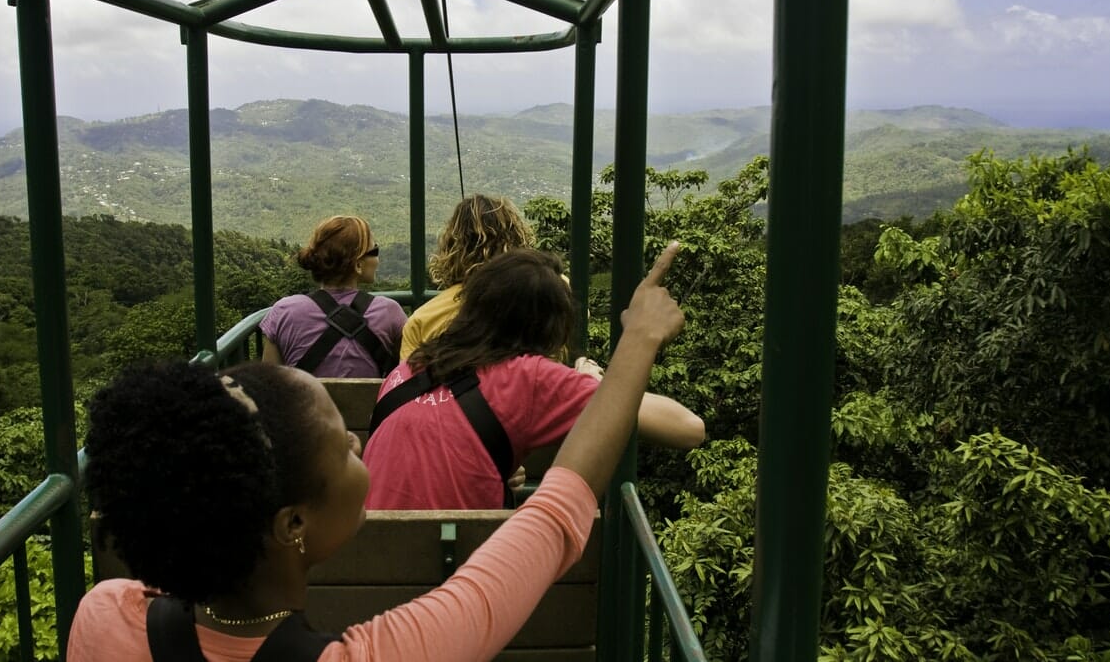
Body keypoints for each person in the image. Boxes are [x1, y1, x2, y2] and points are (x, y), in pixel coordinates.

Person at [67, 242, 687, 662]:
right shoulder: (390, 652)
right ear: (293, 522)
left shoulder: (104, 615)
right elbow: (557, 510)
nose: (361, 441)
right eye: (342, 444)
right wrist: (640, 338)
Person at [363, 247, 705, 510]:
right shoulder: (529, 378)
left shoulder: (409, 369)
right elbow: (688, 427)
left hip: (364, 576)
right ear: (549, 329)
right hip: (451, 585)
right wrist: (593, 381)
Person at [261, 215, 405, 378]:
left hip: (306, 403)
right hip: (370, 404)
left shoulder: (283, 312)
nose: (378, 259)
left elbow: (269, 387)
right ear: (358, 264)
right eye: (375, 251)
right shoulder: (390, 312)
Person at [400, 194, 532, 359]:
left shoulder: (422, 320)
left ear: (451, 246)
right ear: (517, 239)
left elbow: (407, 381)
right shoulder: (546, 298)